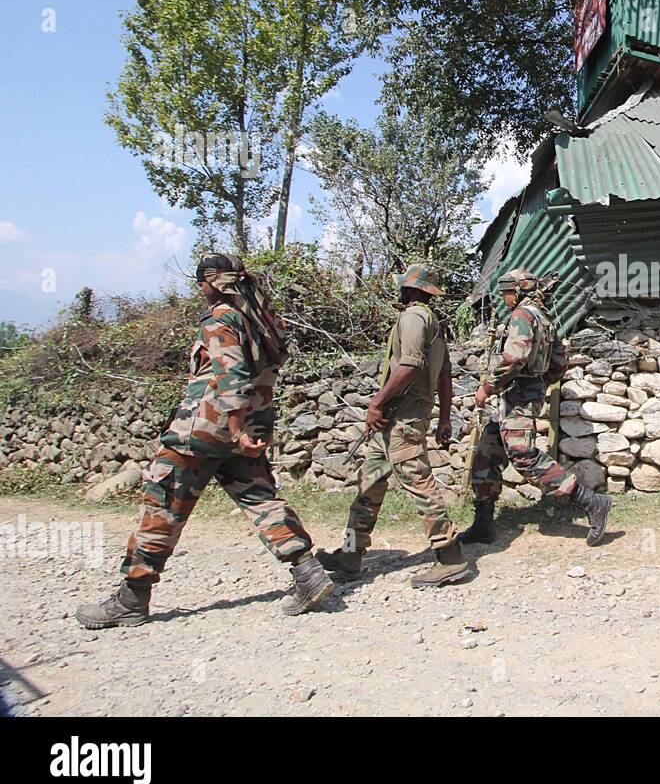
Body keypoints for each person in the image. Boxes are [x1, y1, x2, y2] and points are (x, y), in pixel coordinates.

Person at [76, 254, 333, 628]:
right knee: (260, 497)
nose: (200, 290)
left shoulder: (221, 317)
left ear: (211, 282)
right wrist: (246, 431)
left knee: (163, 503)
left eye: (200, 283)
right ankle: (307, 573)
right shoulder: (264, 320)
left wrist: (233, 427)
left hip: (204, 431)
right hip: (248, 428)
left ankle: (133, 597)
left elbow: (232, 372)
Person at [316, 264, 468, 587]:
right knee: (369, 482)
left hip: (403, 416)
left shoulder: (414, 317)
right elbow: (444, 376)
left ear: (410, 289)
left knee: (417, 480)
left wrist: (376, 404)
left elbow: (411, 365)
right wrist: (442, 418)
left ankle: (450, 556)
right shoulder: (437, 323)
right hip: (399, 417)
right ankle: (350, 554)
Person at [461, 268, 612, 547]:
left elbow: (513, 358)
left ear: (519, 290)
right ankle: (483, 523)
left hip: (517, 393)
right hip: (523, 391)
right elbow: (558, 362)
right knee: (487, 452)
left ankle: (591, 502)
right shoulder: (544, 317)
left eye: (506, 291)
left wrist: (488, 387)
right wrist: (539, 384)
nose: (504, 297)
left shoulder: (522, 315)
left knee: (523, 455)